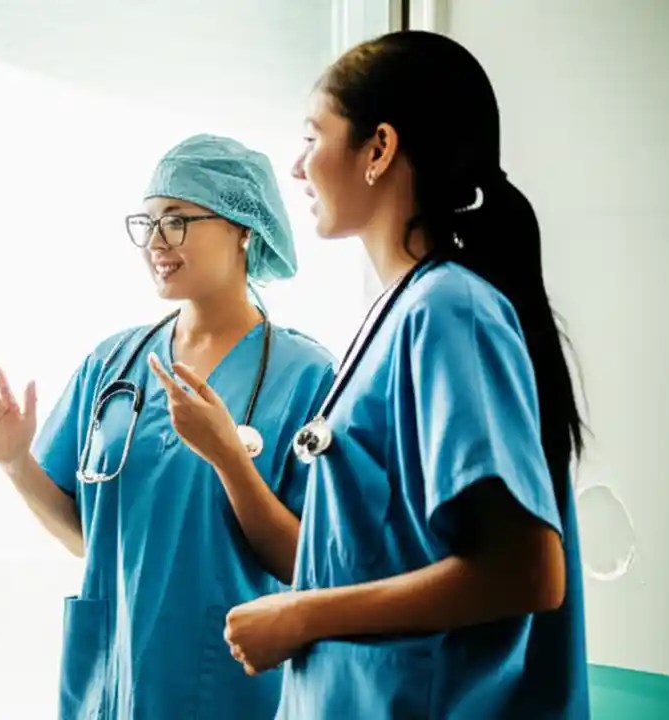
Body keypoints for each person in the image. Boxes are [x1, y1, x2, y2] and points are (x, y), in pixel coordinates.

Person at [223, 31, 589, 719]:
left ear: (379, 149)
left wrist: (302, 615)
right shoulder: (401, 312)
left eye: (312, 137)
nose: (296, 167)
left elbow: (527, 570)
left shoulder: (449, 309)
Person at [0, 134, 336, 719]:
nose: (156, 241)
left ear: (244, 227)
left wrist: (229, 459)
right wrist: (15, 464)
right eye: (148, 223)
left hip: (228, 686)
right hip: (110, 685)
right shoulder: (113, 363)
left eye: (177, 220)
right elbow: (94, 542)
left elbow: (310, 564)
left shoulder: (306, 375)